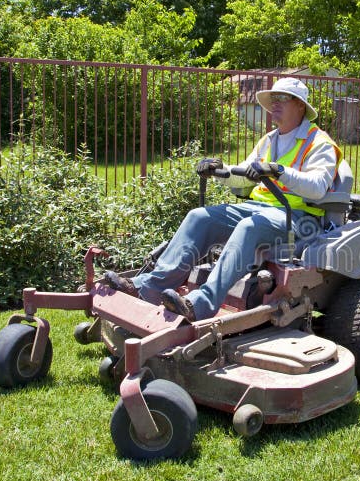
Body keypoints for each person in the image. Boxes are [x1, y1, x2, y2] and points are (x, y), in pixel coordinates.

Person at [103, 77, 342, 321]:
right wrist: (219, 169)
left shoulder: (320, 143)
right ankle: (148, 288)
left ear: (300, 105)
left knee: (249, 227)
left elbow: (317, 187)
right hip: (258, 208)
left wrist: (279, 170)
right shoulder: (270, 139)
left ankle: (200, 304)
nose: (274, 103)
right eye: (273, 98)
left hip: (297, 217)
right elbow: (244, 176)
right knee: (199, 217)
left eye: (282, 98)